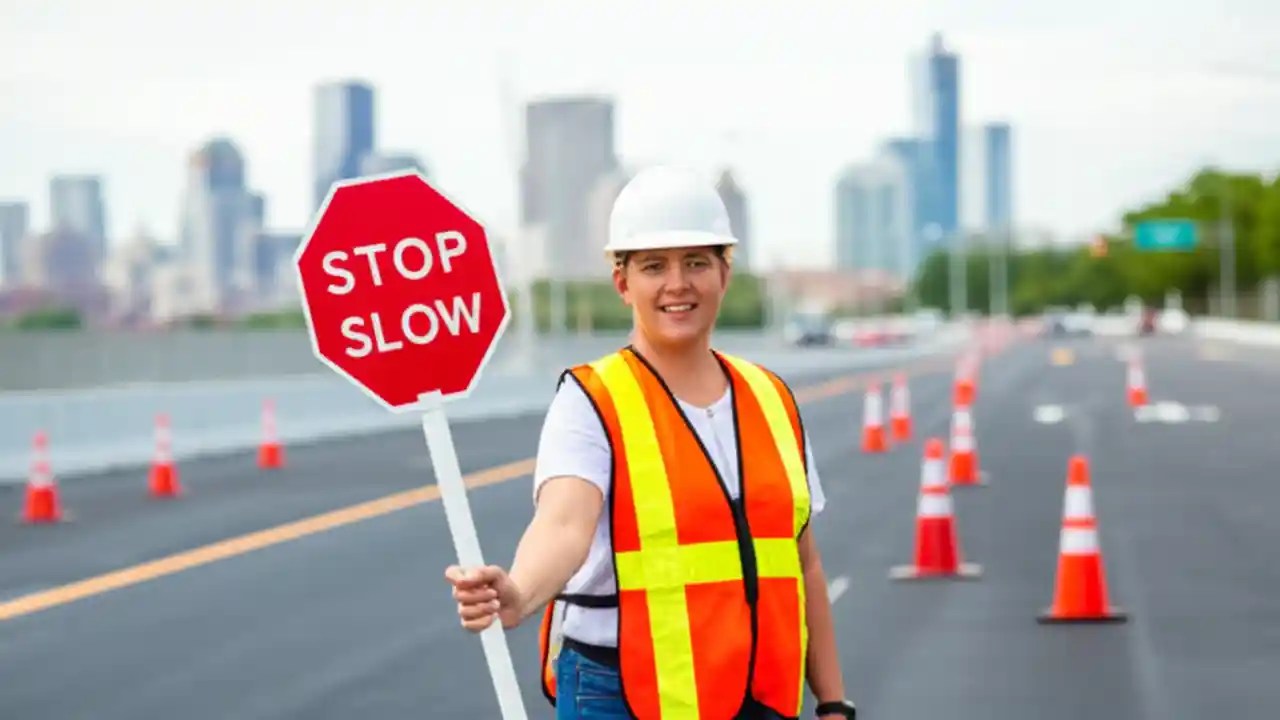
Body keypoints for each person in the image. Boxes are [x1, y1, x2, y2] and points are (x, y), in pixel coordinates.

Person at [445, 165, 856, 719]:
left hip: (755, 693)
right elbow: (564, 525)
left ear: (724, 274)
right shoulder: (593, 398)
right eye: (654, 266)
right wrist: (517, 593)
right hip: (623, 693)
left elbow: (801, 563)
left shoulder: (771, 397)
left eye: (695, 263)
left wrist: (832, 702)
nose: (677, 283)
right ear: (623, 283)